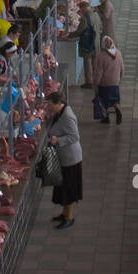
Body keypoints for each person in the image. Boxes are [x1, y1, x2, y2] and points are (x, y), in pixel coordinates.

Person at [45, 90, 82, 228]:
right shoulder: (59, 113)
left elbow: (74, 136)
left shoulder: (67, 116)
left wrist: (58, 140)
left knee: (69, 188)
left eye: (50, 104)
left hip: (71, 158)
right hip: (63, 157)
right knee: (63, 187)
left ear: (59, 103)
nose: (48, 107)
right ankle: (64, 213)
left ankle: (69, 217)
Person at [70, 0, 103, 88]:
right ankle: (96, 81)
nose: (80, 12)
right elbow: (100, 27)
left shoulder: (85, 19)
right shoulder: (96, 15)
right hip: (96, 43)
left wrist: (69, 35)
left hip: (87, 44)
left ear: (84, 8)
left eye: (81, 10)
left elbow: (79, 31)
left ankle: (89, 82)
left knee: (88, 64)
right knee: (95, 63)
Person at [94, 36, 124, 125]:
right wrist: (118, 79)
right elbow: (122, 68)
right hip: (115, 82)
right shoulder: (118, 53)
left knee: (103, 101)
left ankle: (105, 118)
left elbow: (99, 73)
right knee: (115, 100)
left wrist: (96, 84)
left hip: (104, 83)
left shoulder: (101, 56)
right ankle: (118, 111)